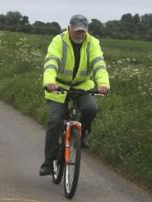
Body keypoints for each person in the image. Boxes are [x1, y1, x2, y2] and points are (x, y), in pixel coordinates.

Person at [39, 15, 110, 176]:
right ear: (69, 28)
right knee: (54, 120)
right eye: (77, 31)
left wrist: (104, 84)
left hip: (82, 86)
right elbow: (51, 63)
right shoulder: (59, 41)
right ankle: (49, 162)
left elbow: (99, 65)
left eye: (82, 32)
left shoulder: (93, 43)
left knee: (91, 108)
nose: (79, 35)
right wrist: (49, 82)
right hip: (59, 86)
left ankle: (81, 133)